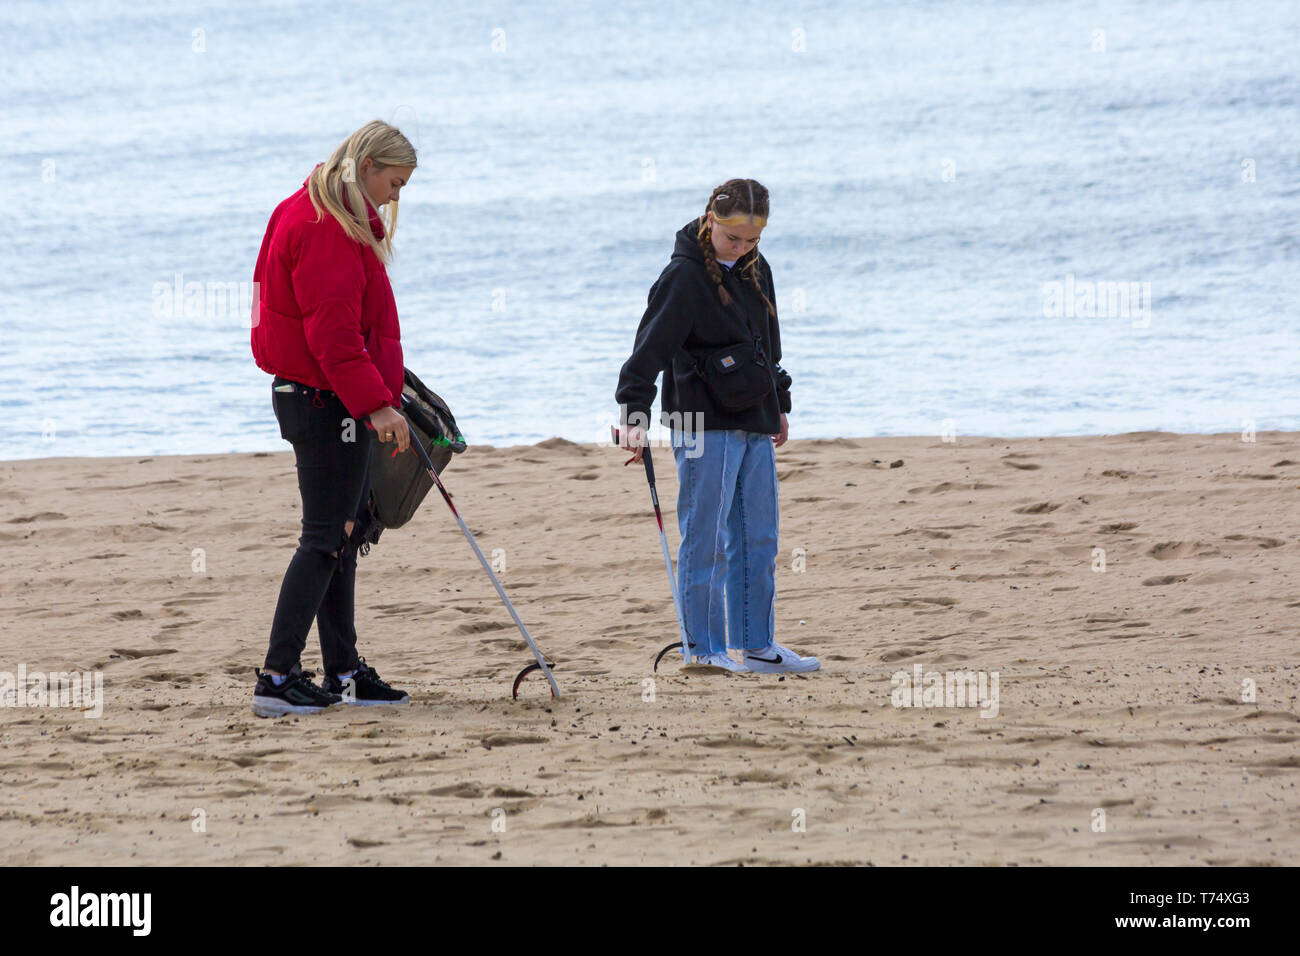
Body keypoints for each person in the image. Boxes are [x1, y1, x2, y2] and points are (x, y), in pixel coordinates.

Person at [615, 179, 820, 674]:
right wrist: (633, 417)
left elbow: (768, 344)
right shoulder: (682, 276)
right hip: (699, 420)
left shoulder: (755, 267)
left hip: (753, 414)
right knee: (704, 538)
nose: (742, 248)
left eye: (752, 239)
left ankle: (756, 646)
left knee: (758, 536)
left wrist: (781, 403)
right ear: (711, 220)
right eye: (733, 238)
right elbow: (647, 353)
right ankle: (702, 651)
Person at [248, 120, 417, 716]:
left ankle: (342, 671)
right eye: (394, 182)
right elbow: (334, 337)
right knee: (325, 535)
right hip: (323, 400)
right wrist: (376, 407)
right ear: (367, 166)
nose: (397, 196)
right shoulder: (323, 226)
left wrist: (381, 393)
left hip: (326, 395)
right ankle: (276, 677)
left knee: (345, 534)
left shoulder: (326, 210)